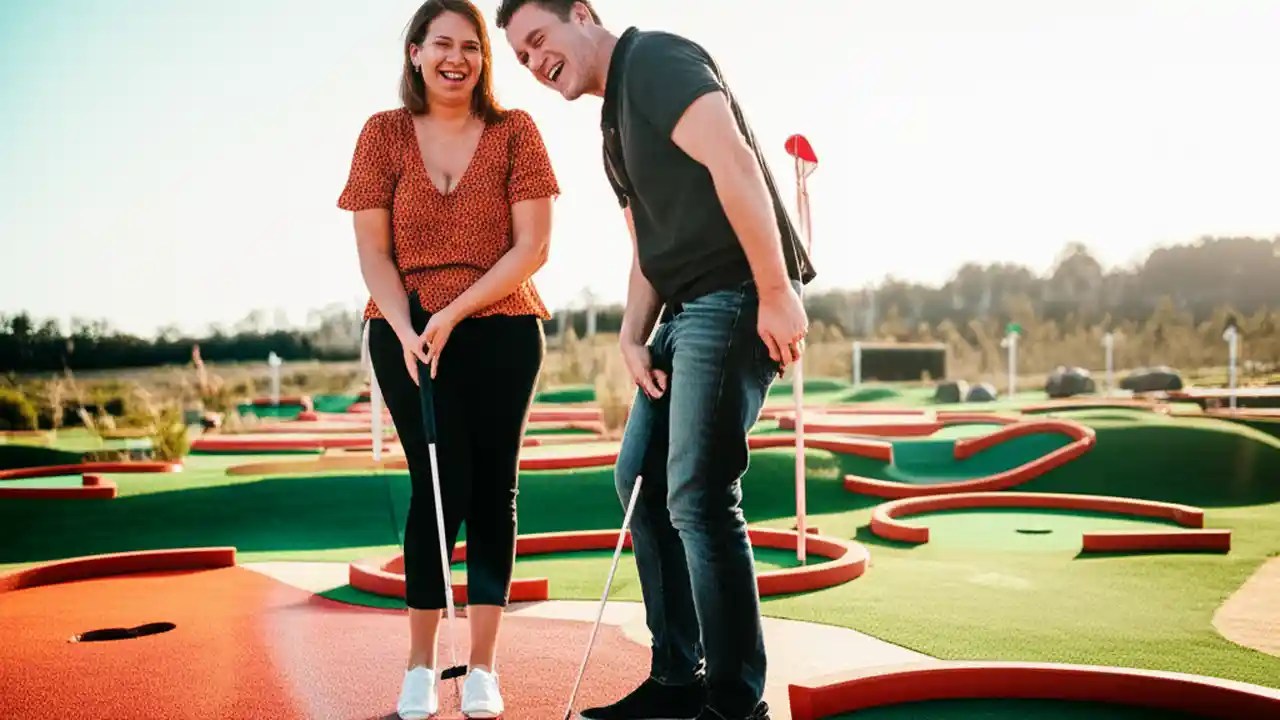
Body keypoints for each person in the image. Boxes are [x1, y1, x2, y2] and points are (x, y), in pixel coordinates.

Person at [496, 3, 816, 719]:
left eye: (539, 39)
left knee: (699, 499)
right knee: (638, 476)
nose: (535, 62)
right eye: (521, 57)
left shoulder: (659, 61)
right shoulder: (612, 128)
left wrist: (774, 290)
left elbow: (733, 161)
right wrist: (629, 336)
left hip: (734, 295)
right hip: (683, 308)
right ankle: (677, 680)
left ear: (581, 13)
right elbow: (645, 247)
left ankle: (735, 705)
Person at [336, 0, 560, 717]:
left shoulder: (515, 131)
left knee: (494, 488)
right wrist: (406, 330)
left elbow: (533, 247)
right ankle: (418, 669)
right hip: (405, 332)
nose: (457, 57)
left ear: (483, 59)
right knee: (438, 484)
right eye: (442, 44)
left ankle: (485, 669)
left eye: (471, 46)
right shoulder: (382, 134)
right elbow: (373, 252)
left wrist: (456, 312)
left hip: (502, 325)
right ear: (415, 52)